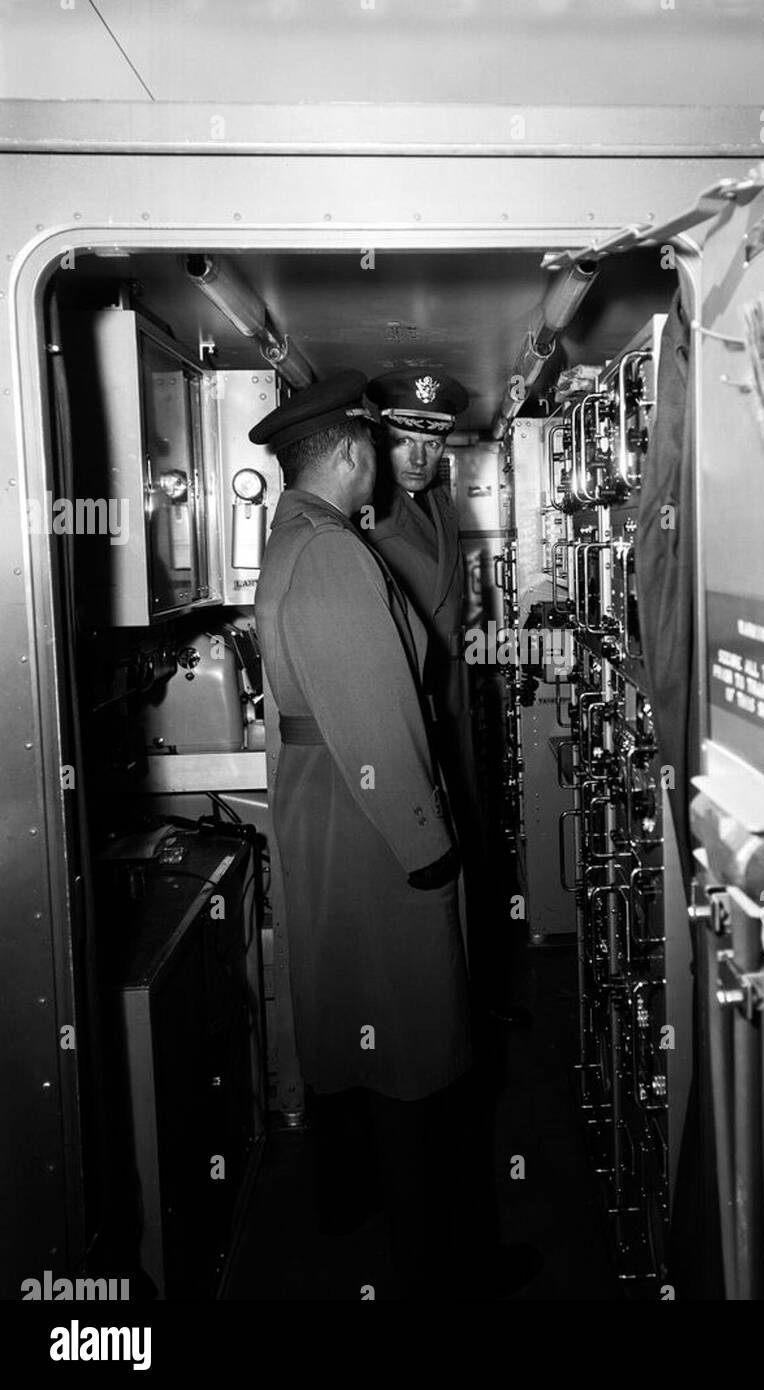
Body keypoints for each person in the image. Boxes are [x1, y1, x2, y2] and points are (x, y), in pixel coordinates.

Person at [251, 372, 477, 1296]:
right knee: (418, 1051)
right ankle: (438, 1267)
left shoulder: (295, 538)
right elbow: (381, 718)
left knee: (365, 1032)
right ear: (351, 453)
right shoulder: (336, 554)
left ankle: (360, 1217)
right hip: (375, 828)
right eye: (376, 448)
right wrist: (429, 849)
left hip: (335, 810)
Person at [365, 369, 529, 1031]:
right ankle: (434, 1020)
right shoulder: (364, 512)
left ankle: (471, 1000)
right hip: (410, 713)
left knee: (470, 847)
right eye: (406, 439)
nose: (421, 456)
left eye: (432, 440)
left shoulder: (438, 502)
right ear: (380, 439)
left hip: (455, 707)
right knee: (422, 864)